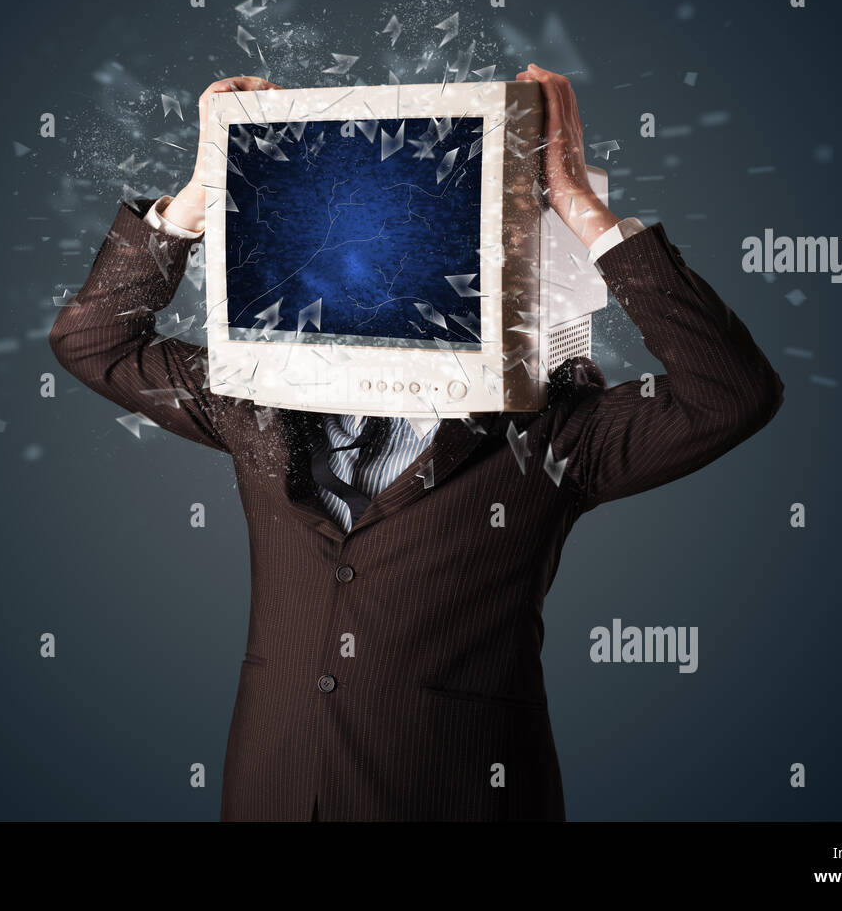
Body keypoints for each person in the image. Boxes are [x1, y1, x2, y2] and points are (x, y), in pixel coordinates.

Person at [49, 64, 785, 821]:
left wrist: (581, 208)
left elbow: (731, 393)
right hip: (272, 790)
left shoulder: (551, 434)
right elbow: (93, 340)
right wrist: (204, 193)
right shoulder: (255, 402)